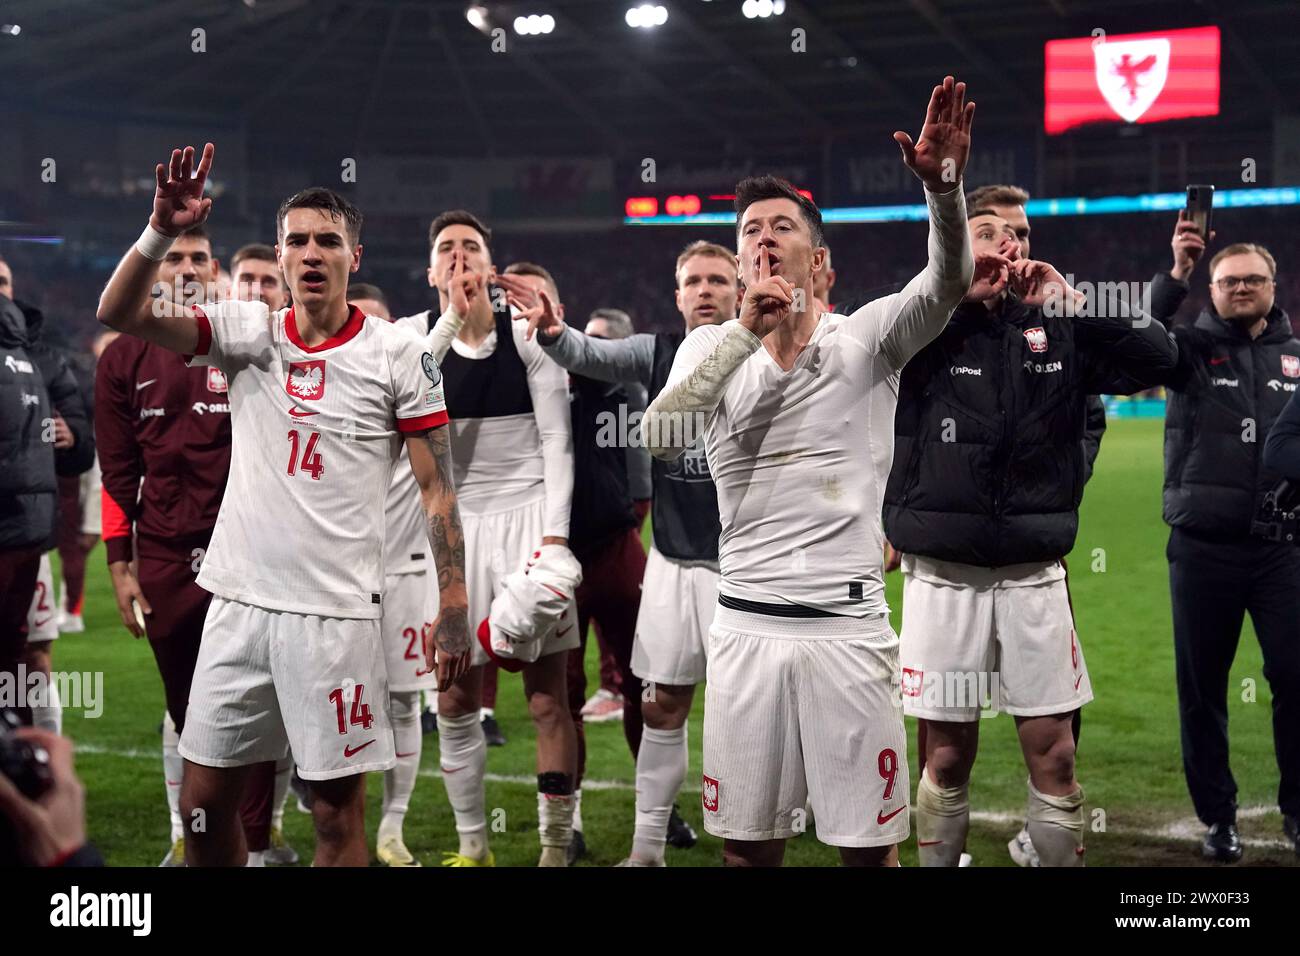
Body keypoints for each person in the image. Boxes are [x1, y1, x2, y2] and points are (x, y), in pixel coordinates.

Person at [96, 144, 470, 867]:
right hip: (237, 606)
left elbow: (437, 489)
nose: (311, 253)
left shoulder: (400, 353)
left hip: (336, 617)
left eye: (328, 240)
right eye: (296, 240)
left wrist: (452, 606)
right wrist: (160, 230)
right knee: (203, 806)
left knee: (334, 816)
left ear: (354, 256)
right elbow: (120, 312)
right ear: (279, 254)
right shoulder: (248, 332)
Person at [643, 76, 976, 866]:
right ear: (738, 257)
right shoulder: (709, 347)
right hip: (745, 628)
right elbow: (659, 436)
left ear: (817, 258)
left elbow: (947, 283)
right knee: (747, 852)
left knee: (869, 852)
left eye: (781, 226)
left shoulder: (868, 338)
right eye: (750, 229)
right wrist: (742, 332)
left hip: (847, 632)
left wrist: (944, 190)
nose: (763, 237)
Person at [884, 206, 1176, 867]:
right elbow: (871, 338)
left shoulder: (1059, 327)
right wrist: (948, 289)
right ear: (955, 245)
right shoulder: (922, 329)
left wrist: (1073, 302)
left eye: (1016, 234)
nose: (1007, 243)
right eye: (986, 233)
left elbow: (1162, 357)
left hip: (1034, 576)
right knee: (946, 757)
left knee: (1057, 754)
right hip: (944, 578)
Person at [528, 239, 738, 864]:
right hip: (672, 561)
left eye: (718, 280)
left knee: (747, 712)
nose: (705, 291)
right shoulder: (655, 352)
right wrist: (554, 333)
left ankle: (762, 832)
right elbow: (589, 353)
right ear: (677, 296)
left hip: (745, 567)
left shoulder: (767, 351)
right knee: (660, 703)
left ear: (740, 291)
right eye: (694, 281)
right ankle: (647, 851)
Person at [398, 209, 577, 867]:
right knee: (453, 695)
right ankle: (475, 846)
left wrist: (555, 539)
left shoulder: (526, 335)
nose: (459, 257)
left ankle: (554, 847)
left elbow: (557, 440)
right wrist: (452, 318)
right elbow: (407, 389)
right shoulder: (411, 335)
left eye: (470, 247)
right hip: (453, 530)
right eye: (446, 248)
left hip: (529, 520)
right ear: (430, 272)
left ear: (491, 266)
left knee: (547, 699)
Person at [1148, 223, 1300, 860]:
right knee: (1203, 689)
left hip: (1284, 549)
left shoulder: (1297, 358)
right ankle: (1218, 818)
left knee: (1295, 678)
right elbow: (1137, 339)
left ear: (1273, 286)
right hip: (1203, 546)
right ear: (1211, 290)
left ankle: (1298, 812)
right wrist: (1177, 272)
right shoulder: (1185, 350)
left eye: (1252, 279)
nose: (1241, 287)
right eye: (1228, 280)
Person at [499, 265, 647, 865]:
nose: (524, 313)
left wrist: (559, 341)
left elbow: (619, 396)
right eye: (513, 304)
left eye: (535, 302)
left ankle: (657, 813)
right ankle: (572, 819)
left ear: (558, 309)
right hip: (548, 557)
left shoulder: (592, 368)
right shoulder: (504, 377)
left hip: (613, 546)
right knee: (564, 694)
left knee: (646, 684)